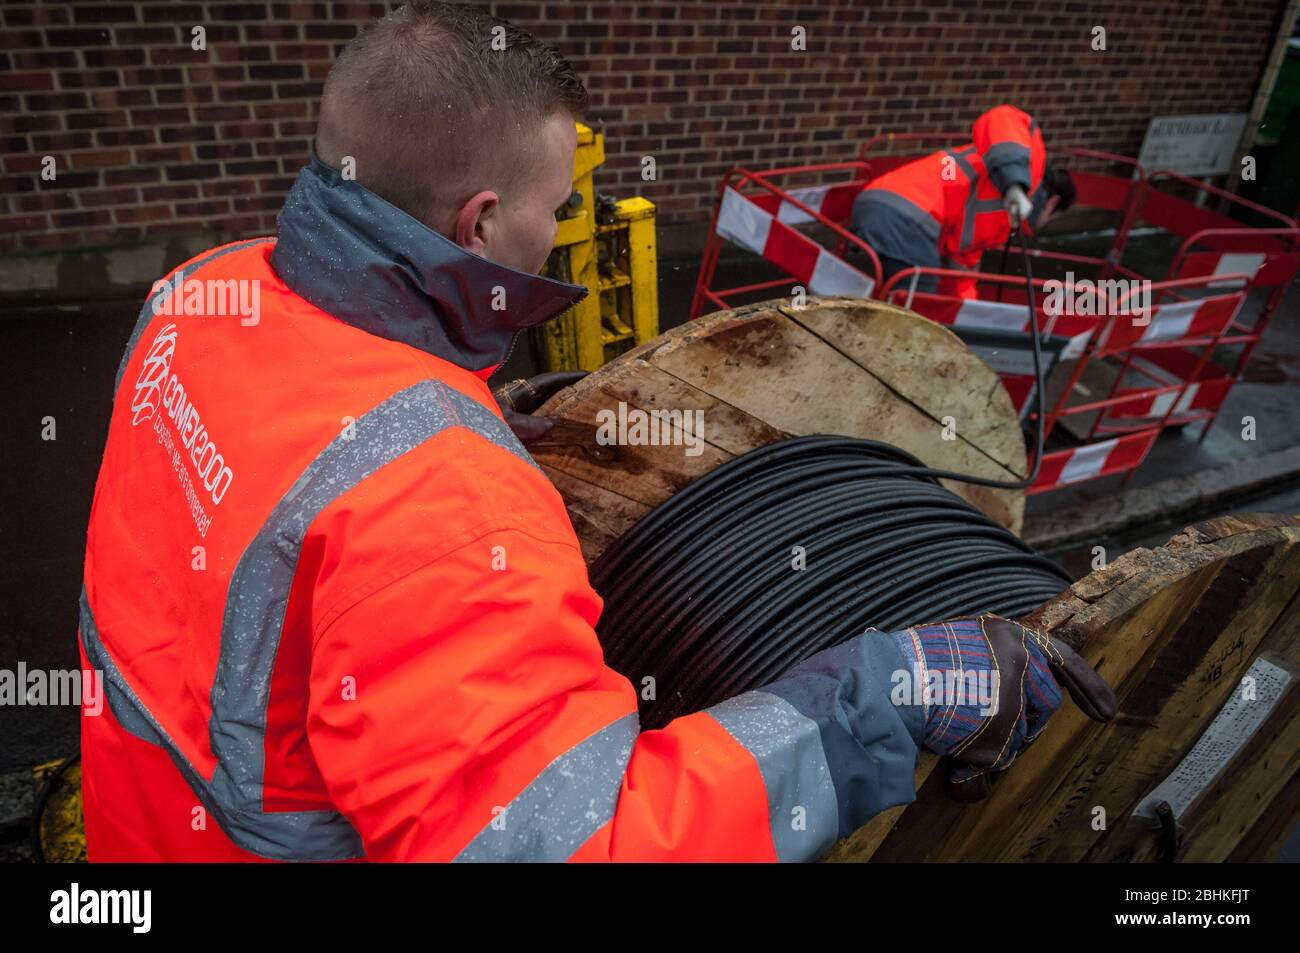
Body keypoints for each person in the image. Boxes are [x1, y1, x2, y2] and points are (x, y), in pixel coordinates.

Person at [78, 1, 1113, 862]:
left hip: (142, 816)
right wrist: (882, 693)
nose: (564, 225)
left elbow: (268, 505)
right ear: (481, 225)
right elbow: (575, 844)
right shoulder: (443, 501)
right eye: (558, 205)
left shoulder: (205, 287)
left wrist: (474, 410)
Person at [852, 104, 1076, 298]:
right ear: (1052, 203)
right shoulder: (1029, 167)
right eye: (1051, 219)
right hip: (908, 216)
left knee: (914, 301)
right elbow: (1002, 116)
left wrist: (966, 315)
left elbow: (960, 274)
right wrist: (1015, 182)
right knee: (915, 306)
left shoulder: (997, 225)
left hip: (883, 206)